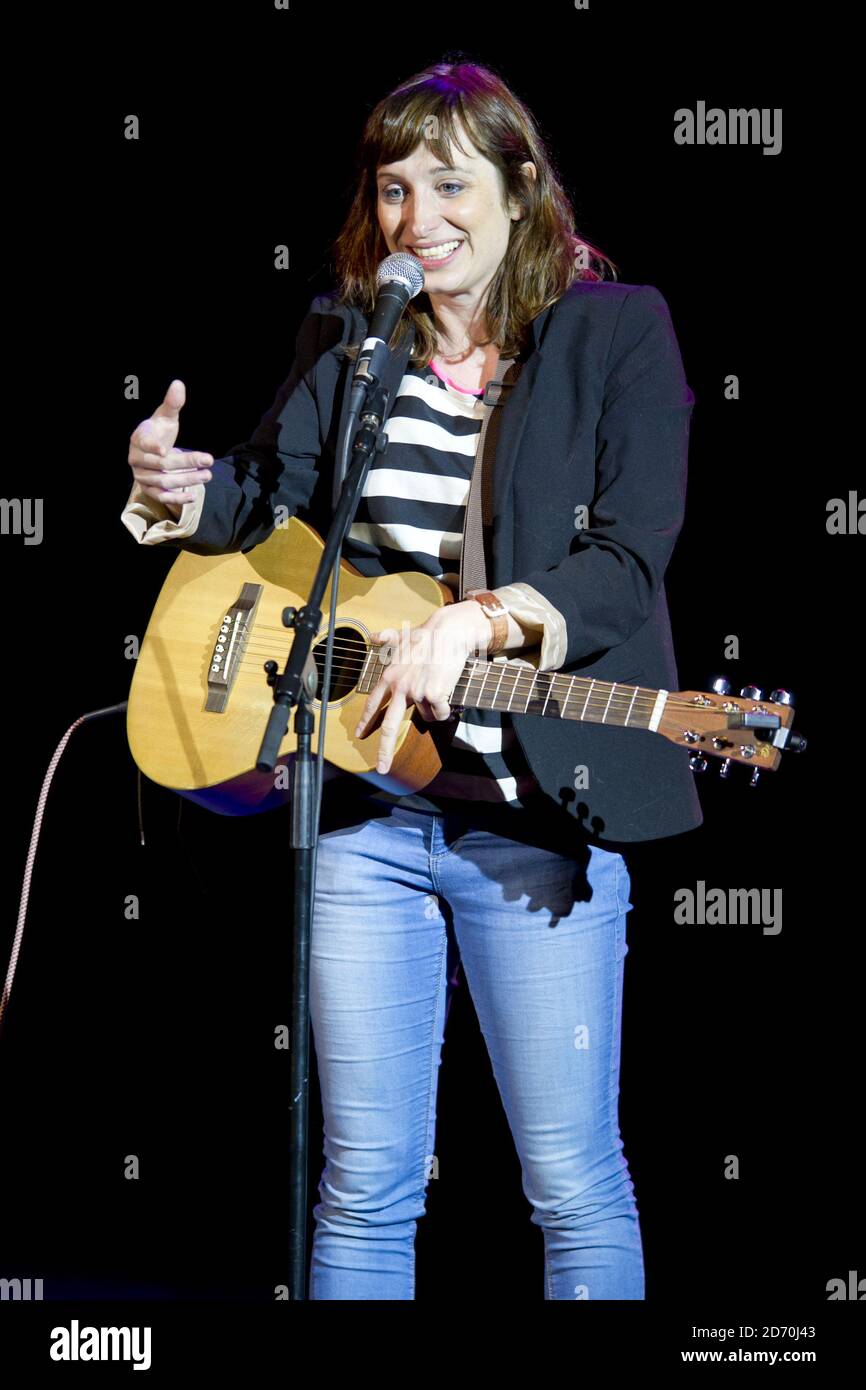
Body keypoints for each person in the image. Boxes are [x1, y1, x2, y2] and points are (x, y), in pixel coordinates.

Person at [122, 60, 702, 1300]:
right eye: (392, 188)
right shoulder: (349, 335)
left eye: (448, 183)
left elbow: (625, 559)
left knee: (568, 1178)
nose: (416, 218)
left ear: (520, 188)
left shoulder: (615, 332)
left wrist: (480, 622)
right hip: (365, 812)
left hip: (533, 820)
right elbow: (269, 502)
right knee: (364, 1182)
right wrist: (181, 493)